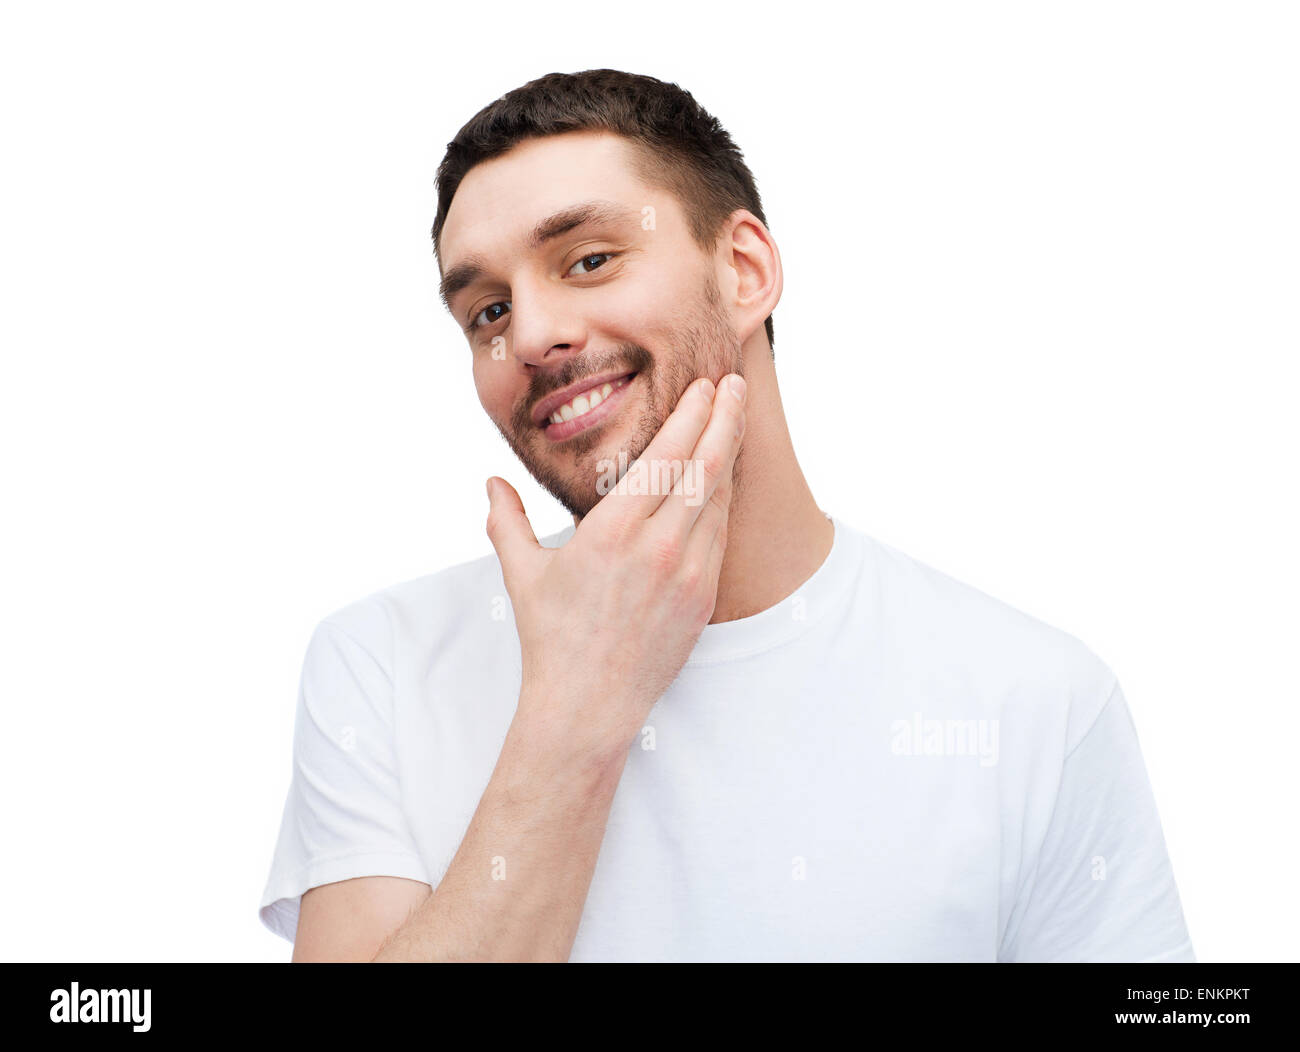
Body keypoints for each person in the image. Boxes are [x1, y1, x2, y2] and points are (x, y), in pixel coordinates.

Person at [258, 69, 1195, 962]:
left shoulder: (1035, 700)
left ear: (744, 270)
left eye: (588, 260)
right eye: (488, 311)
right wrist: (576, 705)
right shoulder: (378, 665)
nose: (530, 335)